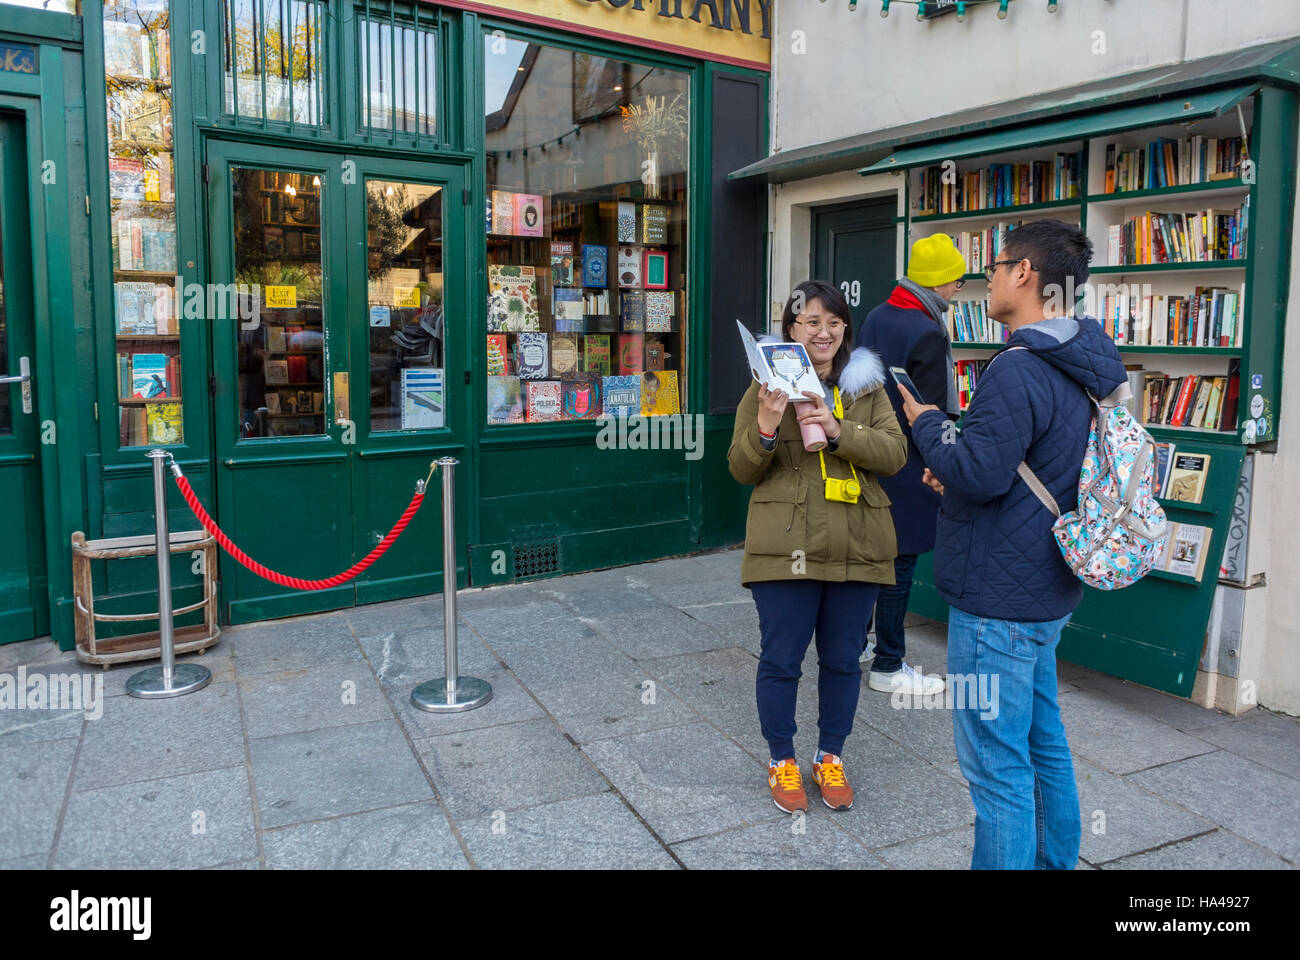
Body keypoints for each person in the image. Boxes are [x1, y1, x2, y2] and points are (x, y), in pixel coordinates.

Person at [899, 220, 1126, 869]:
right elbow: (1023, 471)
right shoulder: (1087, 363)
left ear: (1025, 274)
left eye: (997, 266)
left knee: (996, 768)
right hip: (1047, 588)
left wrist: (929, 424)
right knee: (1043, 743)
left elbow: (980, 472)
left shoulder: (1017, 367)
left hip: (998, 599)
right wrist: (961, 465)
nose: (990, 279)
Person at [728, 280, 908, 813]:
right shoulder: (764, 386)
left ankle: (830, 755)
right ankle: (782, 759)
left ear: (845, 329)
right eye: (810, 321)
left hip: (859, 544)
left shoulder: (867, 388)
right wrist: (765, 425)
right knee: (781, 660)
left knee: (843, 661)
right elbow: (740, 468)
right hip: (785, 545)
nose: (823, 332)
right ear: (790, 330)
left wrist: (838, 427)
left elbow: (895, 454)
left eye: (833, 322)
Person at [857, 233, 967, 697]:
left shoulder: (878, 315)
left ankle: (855, 643)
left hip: (870, 451)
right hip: (911, 459)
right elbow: (935, 406)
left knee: (870, 557)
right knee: (900, 564)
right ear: (939, 282)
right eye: (956, 280)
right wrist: (947, 459)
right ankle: (889, 663)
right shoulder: (927, 327)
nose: (959, 288)